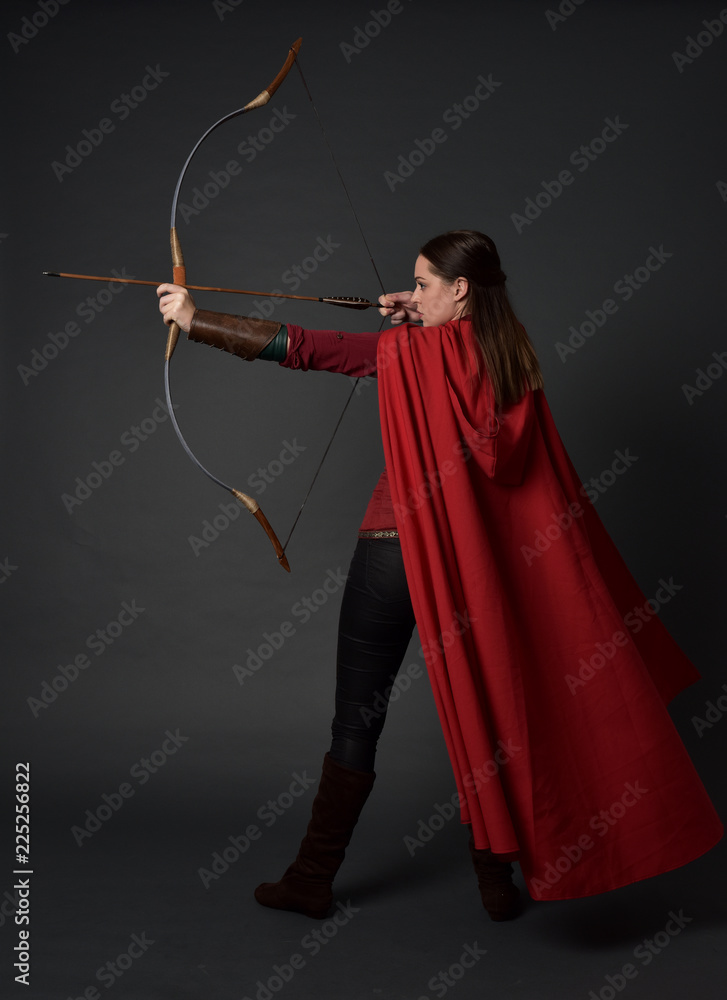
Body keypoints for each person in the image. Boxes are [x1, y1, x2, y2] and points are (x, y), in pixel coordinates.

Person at [158, 230, 722, 922]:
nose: (410, 293)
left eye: (424, 283)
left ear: (459, 290)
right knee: (484, 705)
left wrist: (194, 320)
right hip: (474, 569)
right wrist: (422, 316)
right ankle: (495, 880)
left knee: (356, 719)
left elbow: (307, 349)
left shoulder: (402, 354)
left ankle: (311, 879)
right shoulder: (513, 355)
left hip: (394, 551)